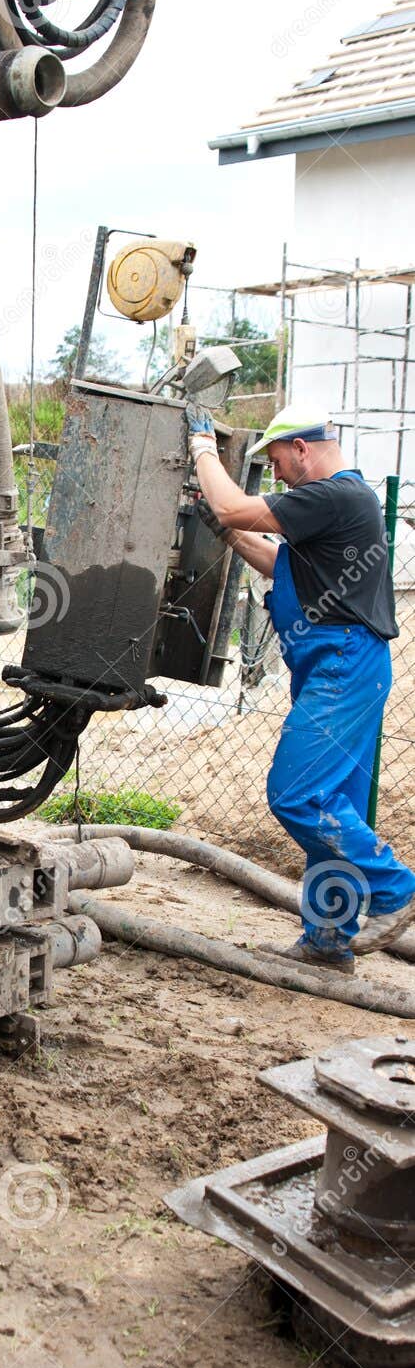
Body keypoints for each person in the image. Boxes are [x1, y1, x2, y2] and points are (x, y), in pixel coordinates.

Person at [188, 404, 415, 973]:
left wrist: (203, 449)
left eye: (277, 460)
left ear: (302, 447)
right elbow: (279, 563)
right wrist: (229, 533)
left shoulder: (333, 494)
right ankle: (328, 940)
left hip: (342, 664)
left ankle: (396, 888)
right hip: (339, 665)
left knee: (297, 794)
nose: (278, 473)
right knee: (335, 804)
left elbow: (231, 503)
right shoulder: (336, 505)